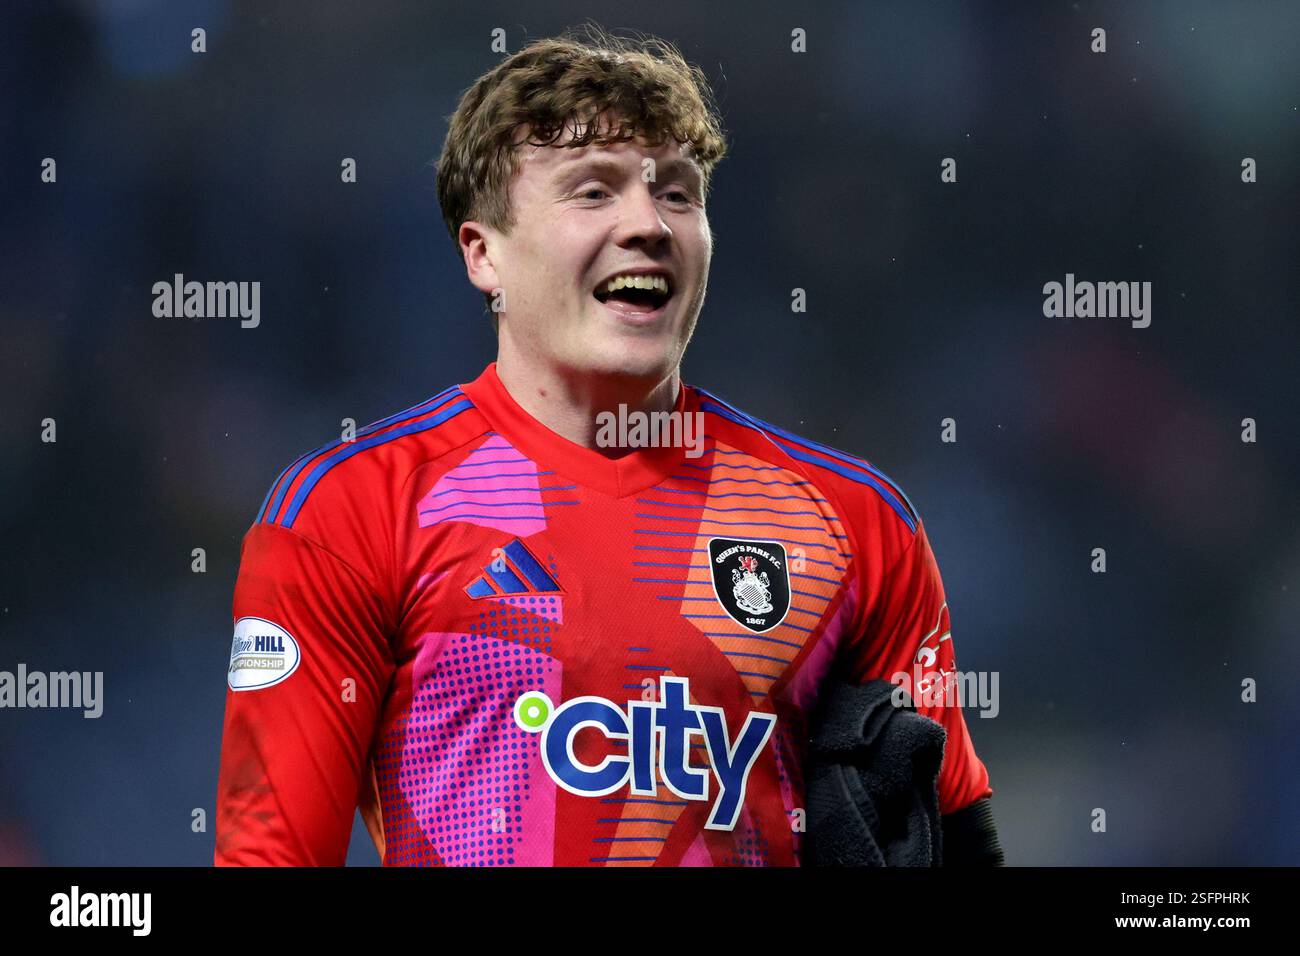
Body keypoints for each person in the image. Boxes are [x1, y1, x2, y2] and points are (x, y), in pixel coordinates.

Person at [214, 24, 996, 867]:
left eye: (679, 194)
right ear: (483, 254)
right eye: (593, 192)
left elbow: (955, 838)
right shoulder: (347, 512)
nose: (648, 224)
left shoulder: (857, 522)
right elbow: (272, 858)